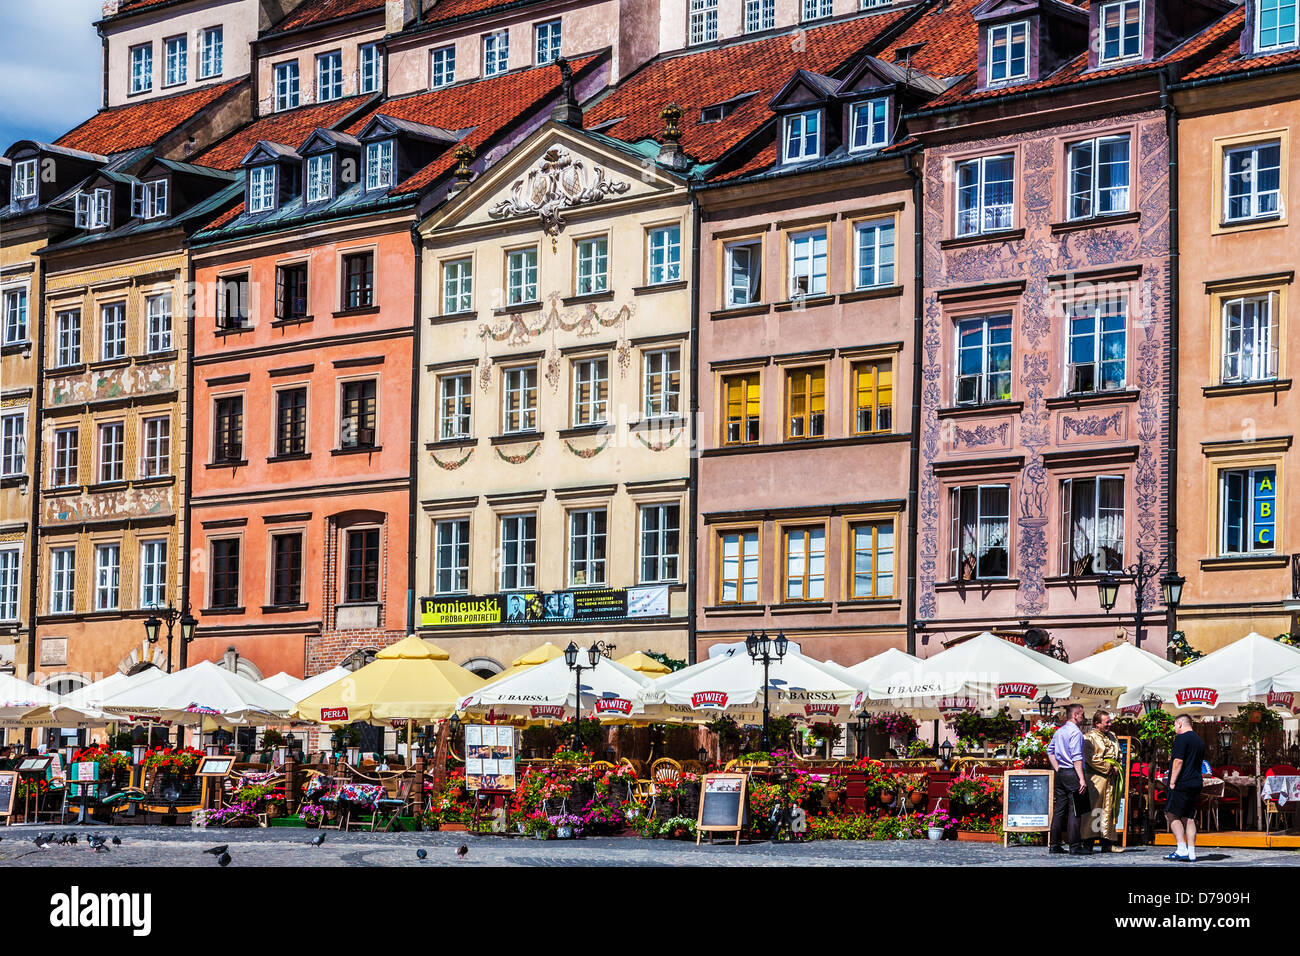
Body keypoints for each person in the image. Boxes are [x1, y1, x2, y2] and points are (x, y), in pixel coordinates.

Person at [1047, 703, 1092, 854]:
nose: (1083, 717)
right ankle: (1074, 846)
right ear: (1075, 715)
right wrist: (1082, 779)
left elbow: (1050, 751)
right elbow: (1077, 757)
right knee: (1075, 810)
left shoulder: (1059, 731)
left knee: (1060, 809)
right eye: (1082, 714)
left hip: (1061, 773)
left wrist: (1058, 768)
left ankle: (1054, 844)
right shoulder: (1076, 733)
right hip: (1072, 772)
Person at [1165, 714, 1205, 862]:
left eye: (1175, 725)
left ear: (1180, 723)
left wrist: (1172, 782)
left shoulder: (1182, 738)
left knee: (1171, 813)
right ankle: (1192, 852)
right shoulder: (1198, 740)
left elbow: (1178, 761)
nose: (1174, 728)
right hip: (1196, 781)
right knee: (1189, 817)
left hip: (1182, 782)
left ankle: (1181, 848)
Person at [1084, 710, 1123, 852]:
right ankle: (1088, 843)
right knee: (1095, 809)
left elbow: (1119, 753)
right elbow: (1091, 757)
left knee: (1110, 809)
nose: (1110, 724)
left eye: (1110, 721)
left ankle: (1108, 843)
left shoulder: (1112, 736)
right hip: (1096, 778)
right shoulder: (1089, 737)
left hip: (1111, 778)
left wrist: (1118, 764)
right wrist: (1108, 767)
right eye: (1107, 722)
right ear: (1097, 723)